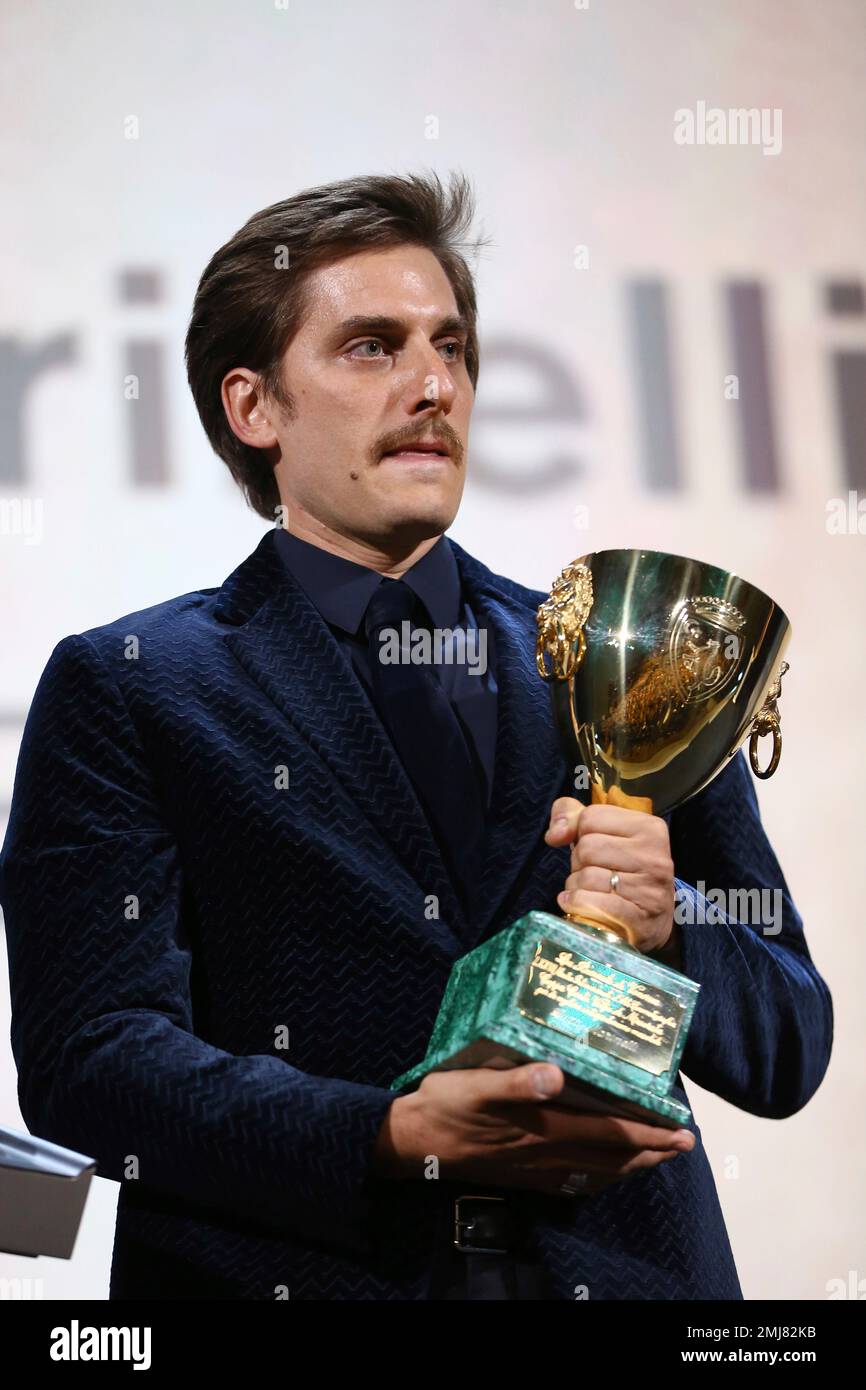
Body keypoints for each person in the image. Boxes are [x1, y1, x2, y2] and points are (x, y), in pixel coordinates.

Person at [0, 171, 832, 1300]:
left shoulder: (619, 663)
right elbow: (88, 1060)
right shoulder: (135, 686)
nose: (432, 385)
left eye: (450, 347)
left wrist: (672, 930)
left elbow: (787, 1039)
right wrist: (388, 1135)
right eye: (371, 348)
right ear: (254, 409)